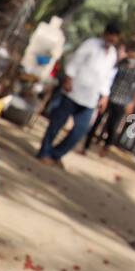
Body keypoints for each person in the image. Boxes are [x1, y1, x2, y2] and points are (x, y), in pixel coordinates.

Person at [36, 23, 123, 168]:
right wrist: (68, 78)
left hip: (90, 98)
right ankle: (44, 152)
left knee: (80, 130)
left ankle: (56, 154)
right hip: (73, 91)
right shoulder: (91, 44)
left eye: (115, 37)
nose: (112, 39)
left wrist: (105, 96)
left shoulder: (113, 54)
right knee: (56, 124)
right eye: (111, 35)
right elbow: (75, 61)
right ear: (105, 34)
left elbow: (107, 77)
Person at [83, 41, 135, 156]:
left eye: (133, 51)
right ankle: (85, 146)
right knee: (98, 121)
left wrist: (132, 102)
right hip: (110, 96)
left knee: (113, 125)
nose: (131, 53)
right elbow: (110, 76)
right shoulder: (121, 63)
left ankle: (106, 147)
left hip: (123, 101)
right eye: (130, 51)